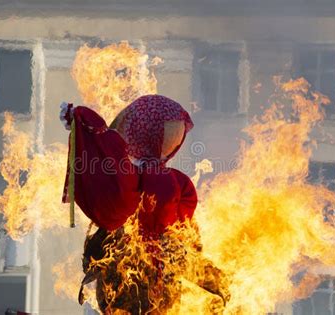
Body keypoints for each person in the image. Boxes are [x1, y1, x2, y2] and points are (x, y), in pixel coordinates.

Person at [60, 95, 226, 314]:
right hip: (143, 283)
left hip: (136, 286)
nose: (177, 138)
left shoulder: (126, 176)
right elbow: (182, 239)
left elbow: (183, 237)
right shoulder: (160, 180)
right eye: (172, 132)